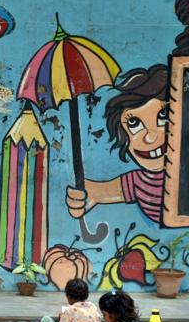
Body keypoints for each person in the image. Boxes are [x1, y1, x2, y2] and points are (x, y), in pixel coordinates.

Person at [65, 66, 169, 224]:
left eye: (163, 116)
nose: (150, 137)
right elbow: (97, 191)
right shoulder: (143, 181)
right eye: (134, 124)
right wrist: (80, 198)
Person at [32, 278, 101, 322]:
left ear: (68, 296)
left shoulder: (70, 310)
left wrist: (61, 318)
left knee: (45, 320)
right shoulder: (93, 308)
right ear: (86, 295)